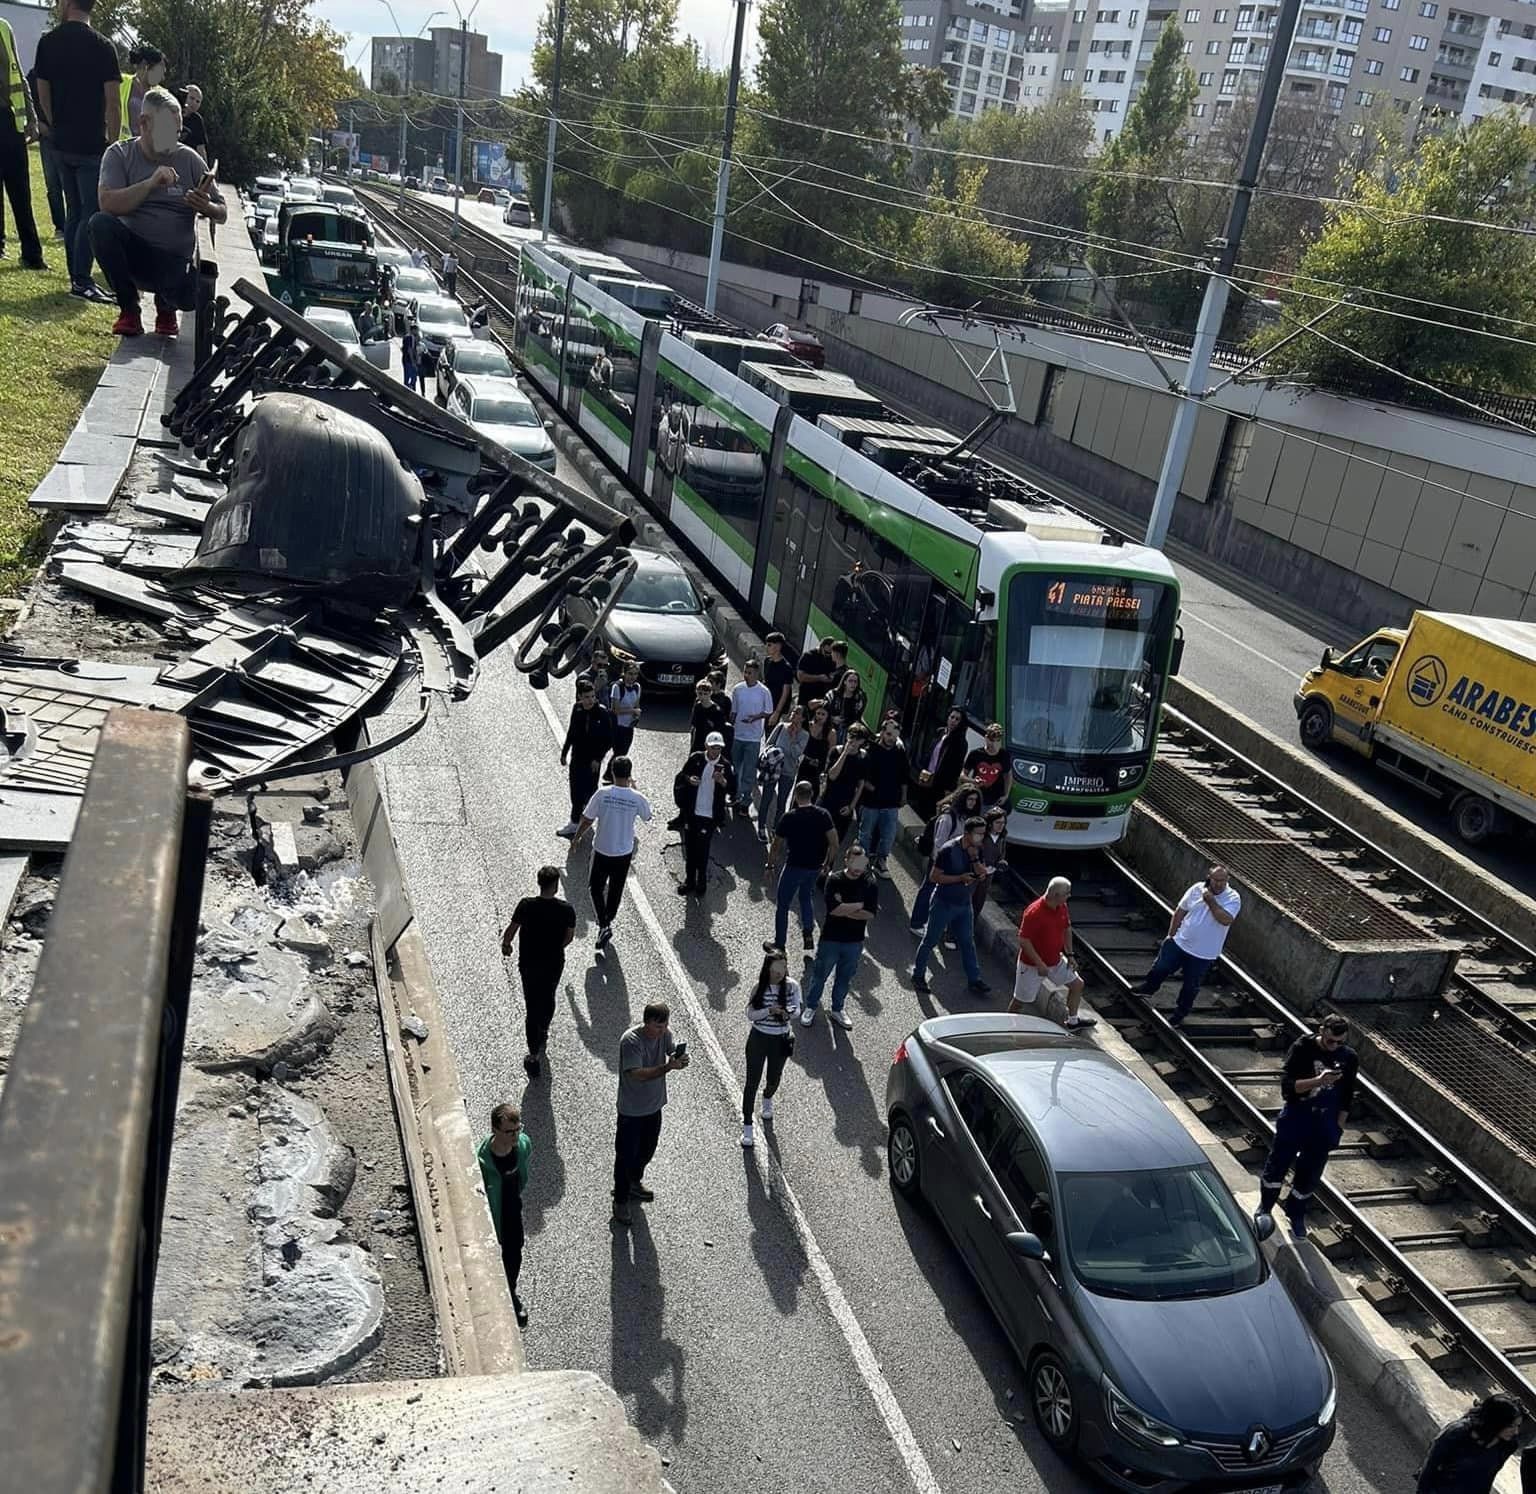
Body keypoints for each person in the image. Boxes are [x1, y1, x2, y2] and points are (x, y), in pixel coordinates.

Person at [91, 88, 225, 338]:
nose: (172, 140)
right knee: (99, 224)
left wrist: (206, 206)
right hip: (135, 254)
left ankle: (167, 307)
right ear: (143, 124)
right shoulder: (119, 154)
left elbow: (222, 211)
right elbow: (107, 204)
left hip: (174, 261)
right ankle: (129, 309)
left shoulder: (189, 159)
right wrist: (150, 184)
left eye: (177, 132)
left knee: (195, 294)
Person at [33, 0, 122, 303]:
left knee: (74, 210)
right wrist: (113, 142)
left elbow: (42, 91)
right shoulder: (104, 47)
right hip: (91, 143)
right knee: (91, 211)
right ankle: (82, 280)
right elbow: (113, 102)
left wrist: (54, 123)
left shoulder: (48, 42)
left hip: (61, 141)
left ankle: (76, 277)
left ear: (69, 3)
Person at [1256, 1015, 1358, 1239]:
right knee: (1278, 1163)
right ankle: (1266, 1206)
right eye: (1330, 1041)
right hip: (1297, 1116)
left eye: (1340, 1042)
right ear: (1321, 1030)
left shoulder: (1349, 1057)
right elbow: (1288, 1088)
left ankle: (1296, 1212)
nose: (1334, 1046)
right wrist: (1319, 1081)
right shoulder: (1303, 1047)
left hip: (1325, 1122)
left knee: (1310, 1172)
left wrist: (1338, 1128)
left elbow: (1347, 1095)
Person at [612, 1001, 689, 1227]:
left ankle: (634, 1182)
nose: (662, 1031)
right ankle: (620, 1199)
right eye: (657, 1026)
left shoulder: (665, 1034)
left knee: (647, 1149)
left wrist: (678, 1058)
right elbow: (637, 1074)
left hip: (654, 1107)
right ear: (646, 1022)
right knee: (625, 1156)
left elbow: (670, 1049)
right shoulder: (631, 1041)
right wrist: (667, 1067)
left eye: (665, 1025)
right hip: (631, 1110)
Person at [1137, 864, 1241, 1026]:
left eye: (1223, 880)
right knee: (1160, 967)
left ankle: (1180, 1013)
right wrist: (1171, 935)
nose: (1219, 884)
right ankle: (1148, 989)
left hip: (1203, 953)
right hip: (1180, 941)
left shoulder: (1233, 898)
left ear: (1228, 879)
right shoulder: (1196, 889)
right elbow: (1180, 911)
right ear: (1209, 878)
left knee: (1190, 986)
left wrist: (1211, 901)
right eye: (1216, 880)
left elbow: (1226, 920)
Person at [500, 865, 576, 1078]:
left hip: (529, 964)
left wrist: (506, 945)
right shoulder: (566, 910)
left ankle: (533, 1055)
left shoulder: (526, 905)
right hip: (553, 963)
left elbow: (511, 930)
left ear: (539, 883)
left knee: (532, 1005)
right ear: (556, 885)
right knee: (549, 996)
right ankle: (544, 1028)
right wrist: (555, 949)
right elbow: (569, 937)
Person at [574, 756, 652, 949]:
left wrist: (577, 838)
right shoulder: (636, 797)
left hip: (602, 849)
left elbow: (587, 819)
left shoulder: (603, 793)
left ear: (612, 772)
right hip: (623, 853)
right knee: (616, 890)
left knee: (595, 888)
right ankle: (607, 921)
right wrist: (636, 789)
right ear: (630, 773)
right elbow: (647, 816)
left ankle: (604, 924)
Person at [800, 842, 879, 1029]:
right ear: (846, 860)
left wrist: (845, 907)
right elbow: (834, 910)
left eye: (861, 864)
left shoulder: (870, 883)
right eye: (854, 862)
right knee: (820, 975)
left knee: (844, 978)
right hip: (831, 939)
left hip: (854, 941)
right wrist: (859, 905)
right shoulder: (834, 880)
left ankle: (837, 1009)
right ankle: (811, 1006)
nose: (858, 868)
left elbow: (870, 913)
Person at [912, 816, 991, 998]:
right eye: (978, 833)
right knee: (930, 941)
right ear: (967, 833)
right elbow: (934, 877)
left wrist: (974, 860)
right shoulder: (948, 850)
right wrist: (960, 878)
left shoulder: (978, 849)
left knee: (967, 942)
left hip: (964, 904)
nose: (981, 837)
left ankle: (974, 979)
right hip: (943, 903)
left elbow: (982, 873)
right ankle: (918, 975)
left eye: (983, 833)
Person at [1009, 876, 1095, 1030]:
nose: (1069, 896)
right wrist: (1039, 963)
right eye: (1067, 893)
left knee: (1077, 985)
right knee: (1020, 1001)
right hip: (1031, 966)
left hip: (1055, 960)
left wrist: (1070, 954)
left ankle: (1073, 1021)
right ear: (1056, 895)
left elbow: (1066, 928)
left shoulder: (1061, 906)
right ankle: (1006, 1025)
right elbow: (1023, 940)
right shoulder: (1034, 913)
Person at [764, 779, 837, 955]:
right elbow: (834, 843)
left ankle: (780, 944)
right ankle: (808, 932)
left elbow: (776, 845)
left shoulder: (789, 817)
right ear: (812, 794)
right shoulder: (823, 815)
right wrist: (827, 864)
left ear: (796, 796)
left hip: (794, 866)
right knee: (805, 897)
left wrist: (770, 866)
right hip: (814, 867)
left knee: (783, 904)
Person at [477, 1102, 531, 1325]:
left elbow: (524, 1165)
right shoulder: (482, 1161)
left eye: (518, 1129)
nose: (515, 1135)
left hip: (512, 1211)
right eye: (509, 1131)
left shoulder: (522, 1145)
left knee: (514, 1255)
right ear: (495, 1130)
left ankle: (510, 1293)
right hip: (492, 1216)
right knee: (489, 1259)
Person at [0, 14, 47, 272]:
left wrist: (31, 116)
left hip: (10, 122)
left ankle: (32, 254)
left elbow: (17, 73)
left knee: (21, 191)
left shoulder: (4, 27)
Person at [741, 949, 801, 1148]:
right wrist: (769, 1010)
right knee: (752, 1082)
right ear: (768, 969)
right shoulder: (759, 987)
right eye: (775, 971)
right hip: (758, 1039)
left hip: (780, 1040)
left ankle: (767, 1097)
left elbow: (797, 1010)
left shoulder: (792, 986)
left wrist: (787, 1013)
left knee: (774, 1078)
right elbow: (750, 1014)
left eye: (782, 969)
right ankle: (747, 1125)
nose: (778, 974)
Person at [1417, 1394, 1535, 1494]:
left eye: (1518, 1426)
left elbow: (1487, 1478)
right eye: (1511, 1426)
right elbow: (1430, 1466)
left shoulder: (1508, 1445)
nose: (1516, 1431)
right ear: (1496, 1421)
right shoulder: (1457, 1433)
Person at [909, 781, 983, 935]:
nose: (972, 803)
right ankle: (917, 922)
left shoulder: (969, 819)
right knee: (928, 890)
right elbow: (939, 844)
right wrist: (941, 864)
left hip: (958, 863)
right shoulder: (948, 818)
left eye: (975, 800)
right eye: (970, 799)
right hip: (941, 862)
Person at [673, 731, 735, 896]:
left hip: (709, 816)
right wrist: (689, 780)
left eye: (719, 748)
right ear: (706, 746)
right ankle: (689, 881)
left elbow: (733, 789)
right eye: (713, 747)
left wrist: (723, 781)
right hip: (692, 813)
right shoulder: (696, 758)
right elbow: (682, 776)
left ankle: (701, 883)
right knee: (690, 849)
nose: (716, 751)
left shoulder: (725, 765)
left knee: (703, 850)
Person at [852, 716, 908, 879]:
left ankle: (881, 860)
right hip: (871, 801)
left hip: (891, 802)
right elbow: (861, 774)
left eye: (895, 736)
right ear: (882, 733)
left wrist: (903, 796)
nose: (891, 739)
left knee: (888, 835)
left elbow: (904, 776)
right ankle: (862, 862)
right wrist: (871, 787)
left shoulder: (899, 752)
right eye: (889, 734)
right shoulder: (870, 750)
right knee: (865, 833)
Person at [557, 677, 612, 839]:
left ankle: (593, 820)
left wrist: (598, 758)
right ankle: (574, 823)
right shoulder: (577, 709)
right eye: (586, 697)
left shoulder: (602, 713)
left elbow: (608, 739)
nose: (590, 700)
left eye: (592, 696)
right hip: (577, 758)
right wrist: (564, 752)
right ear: (580, 697)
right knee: (575, 792)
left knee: (590, 792)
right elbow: (571, 732)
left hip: (592, 761)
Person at [729, 657, 775, 813]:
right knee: (735, 767)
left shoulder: (764, 691)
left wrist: (754, 718)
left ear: (756, 674)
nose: (746, 675)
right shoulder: (738, 689)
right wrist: (730, 728)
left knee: (749, 770)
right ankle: (735, 794)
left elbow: (768, 711)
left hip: (753, 738)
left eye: (749, 673)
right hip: (737, 735)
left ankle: (745, 800)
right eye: (745, 672)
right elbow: (734, 711)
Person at [759, 704, 809, 840]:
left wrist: (792, 738)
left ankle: (776, 828)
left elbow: (796, 754)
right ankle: (761, 827)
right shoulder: (781, 726)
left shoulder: (804, 735)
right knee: (766, 798)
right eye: (793, 711)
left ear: (803, 718)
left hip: (788, 772)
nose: (793, 714)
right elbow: (769, 743)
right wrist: (773, 754)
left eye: (797, 713)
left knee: (781, 802)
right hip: (773, 769)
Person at [818, 722, 868, 845]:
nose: (853, 741)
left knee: (836, 842)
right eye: (851, 736)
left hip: (845, 804)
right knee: (819, 838)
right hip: (828, 800)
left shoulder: (863, 757)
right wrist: (844, 753)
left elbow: (861, 784)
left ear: (862, 741)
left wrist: (851, 806)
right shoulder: (836, 751)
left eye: (857, 739)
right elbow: (832, 776)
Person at [917, 708, 970, 816]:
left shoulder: (960, 742)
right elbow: (931, 752)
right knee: (920, 806)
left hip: (941, 783)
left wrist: (949, 788)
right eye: (952, 717)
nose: (953, 721)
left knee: (931, 811)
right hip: (928, 776)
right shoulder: (940, 732)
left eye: (957, 719)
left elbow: (957, 767)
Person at [964, 723, 1014, 808]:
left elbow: (1008, 776)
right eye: (992, 740)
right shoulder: (975, 754)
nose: (994, 744)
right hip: (977, 798)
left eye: (997, 741)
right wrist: (973, 781)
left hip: (996, 800)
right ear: (986, 738)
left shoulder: (1004, 755)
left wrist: (1006, 795)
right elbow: (962, 775)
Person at [121, 43, 164, 139]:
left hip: (149, 145)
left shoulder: (163, 94)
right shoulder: (121, 82)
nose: (162, 77)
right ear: (146, 67)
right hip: (122, 144)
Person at [606, 662, 642, 775]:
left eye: (635, 674)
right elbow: (615, 710)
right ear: (624, 673)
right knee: (618, 752)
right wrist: (632, 711)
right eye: (630, 673)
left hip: (629, 726)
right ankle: (611, 775)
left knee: (623, 752)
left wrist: (636, 714)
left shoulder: (637, 687)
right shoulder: (617, 687)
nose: (632, 677)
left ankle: (609, 774)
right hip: (617, 725)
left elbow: (636, 705)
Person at [974, 805, 1008, 919]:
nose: (1001, 825)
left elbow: (1001, 853)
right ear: (990, 823)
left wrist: (1001, 862)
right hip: (975, 874)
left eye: (1003, 823)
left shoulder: (1002, 838)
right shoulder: (982, 836)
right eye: (998, 822)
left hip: (988, 875)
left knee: (978, 903)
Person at [796, 699, 836, 794]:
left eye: (823, 714)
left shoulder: (831, 732)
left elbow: (831, 753)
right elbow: (809, 704)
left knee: (813, 793)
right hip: (804, 763)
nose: (820, 717)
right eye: (818, 713)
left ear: (828, 716)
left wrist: (825, 770)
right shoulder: (809, 725)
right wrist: (821, 701)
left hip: (819, 767)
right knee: (799, 791)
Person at [762, 631, 796, 728]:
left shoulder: (786, 668)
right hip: (766, 703)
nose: (766, 647)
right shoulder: (767, 661)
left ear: (778, 646)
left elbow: (785, 692)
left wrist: (777, 712)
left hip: (775, 705)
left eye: (769, 645)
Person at [688, 675, 726, 753]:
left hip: (710, 743)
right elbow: (694, 727)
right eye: (700, 693)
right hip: (698, 741)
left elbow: (720, 731)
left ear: (710, 693)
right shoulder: (697, 706)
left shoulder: (717, 711)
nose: (702, 696)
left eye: (705, 694)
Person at [797, 636, 839, 706]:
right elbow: (800, 676)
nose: (828, 655)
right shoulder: (809, 656)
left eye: (830, 653)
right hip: (806, 694)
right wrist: (819, 678)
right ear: (821, 647)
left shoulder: (832, 660)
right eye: (826, 652)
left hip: (821, 697)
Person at [827, 667, 867, 736]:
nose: (853, 684)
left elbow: (858, 717)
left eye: (855, 682)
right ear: (844, 681)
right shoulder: (833, 694)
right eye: (850, 681)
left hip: (848, 731)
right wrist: (832, 718)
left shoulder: (859, 699)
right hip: (831, 727)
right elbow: (823, 710)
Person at [177, 82, 206, 158]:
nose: (194, 103)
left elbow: (200, 147)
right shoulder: (173, 112)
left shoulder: (197, 120)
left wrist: (204, 164)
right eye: (192, 98)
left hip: (188, 159)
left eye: (198, 101)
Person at [400, 322, 421, 392]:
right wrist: (413, 362)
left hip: (405, 359)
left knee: (407, 377)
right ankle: (410, 390)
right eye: (417, 330)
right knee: (413, 377)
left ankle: (407, 390)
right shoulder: (410, 338)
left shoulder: (406, 337)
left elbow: (403, 348)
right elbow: (410, 350)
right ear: (413, 330)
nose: (417, 332)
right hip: (409, 361)